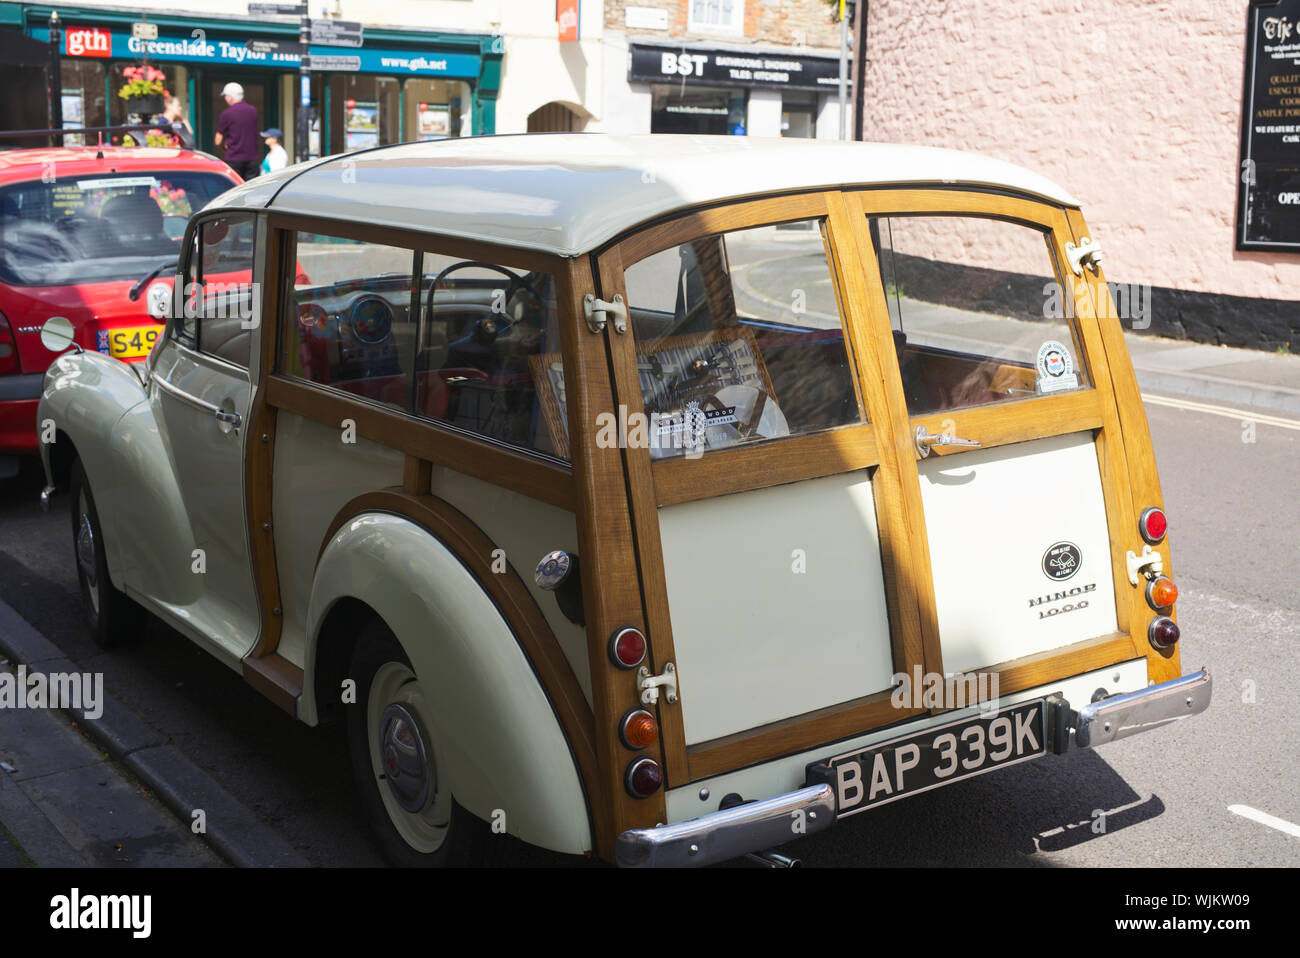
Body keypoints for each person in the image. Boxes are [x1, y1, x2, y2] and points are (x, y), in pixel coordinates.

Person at [214, 82, 260, 180]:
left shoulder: (226, 114)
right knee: (252, 190)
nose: (225, 98)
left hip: (234, 159)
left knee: (235, 190)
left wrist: (225, 146)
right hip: (252, 159)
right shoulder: (253, 111)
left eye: (226, 96)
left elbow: (217, 141)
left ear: (230, 96)